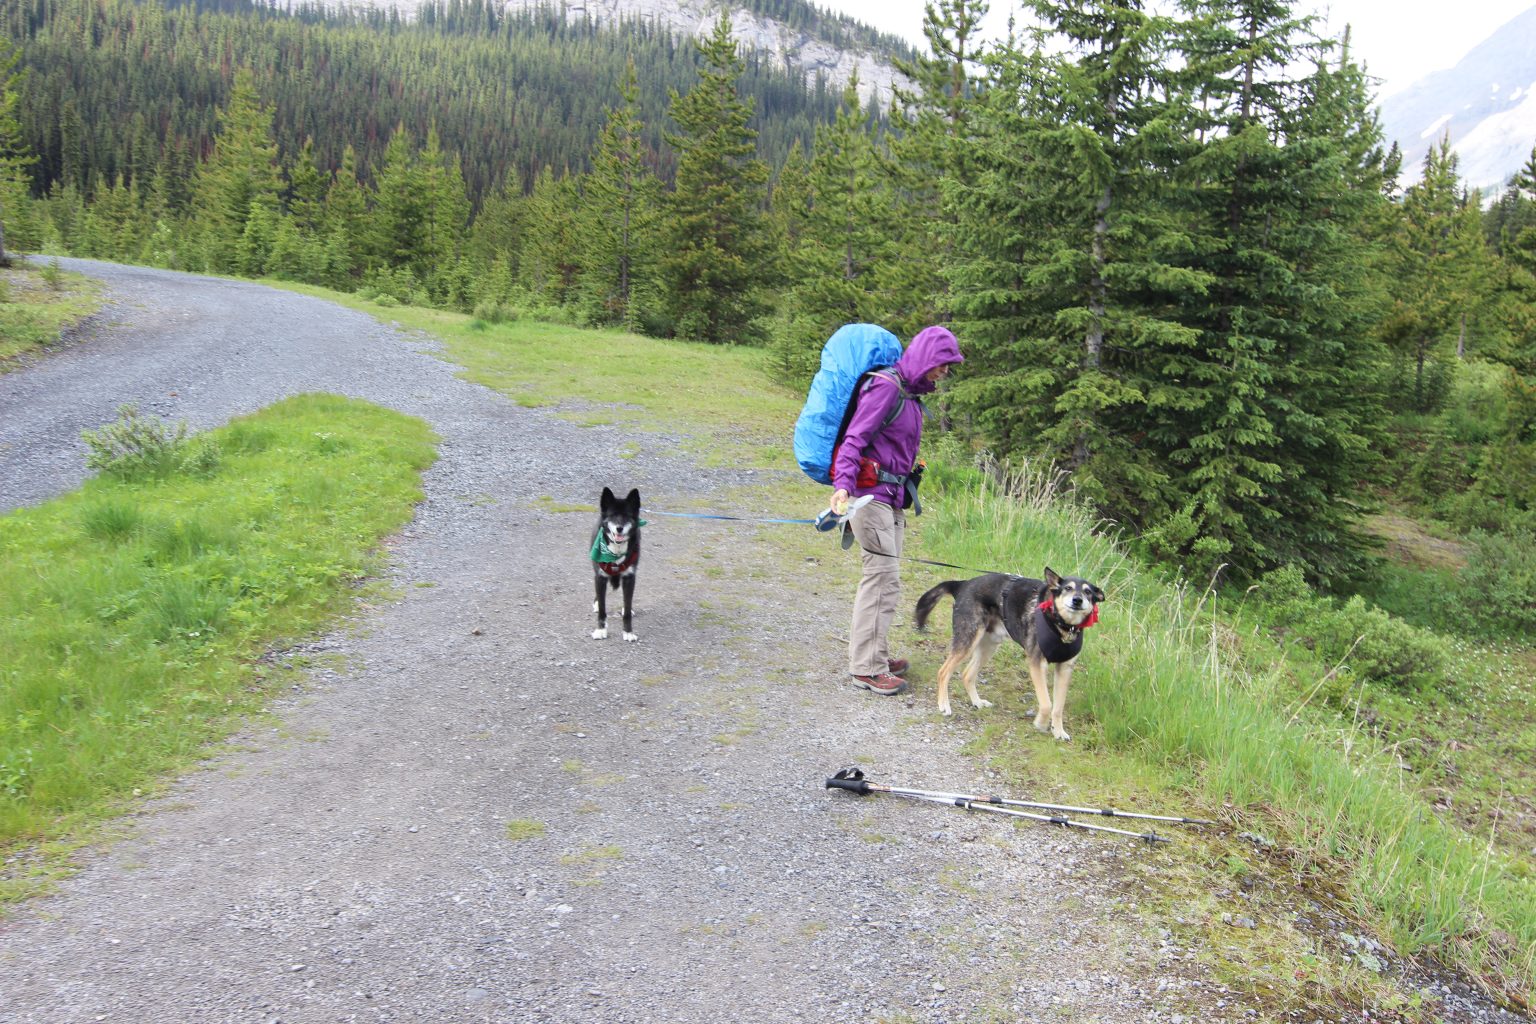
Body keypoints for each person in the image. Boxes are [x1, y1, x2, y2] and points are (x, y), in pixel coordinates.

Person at [830, 325, 963, 695]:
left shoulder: (909, 394)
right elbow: (854, 438)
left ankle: (876, 654)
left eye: (949, 366)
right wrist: (843, 485)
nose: (945, 372)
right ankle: (866, 669)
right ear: (925, 358)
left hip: (892, 498)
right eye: (942, 364)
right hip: (868, 497)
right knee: (880, 578)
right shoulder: (886, 388)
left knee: (888, 580)